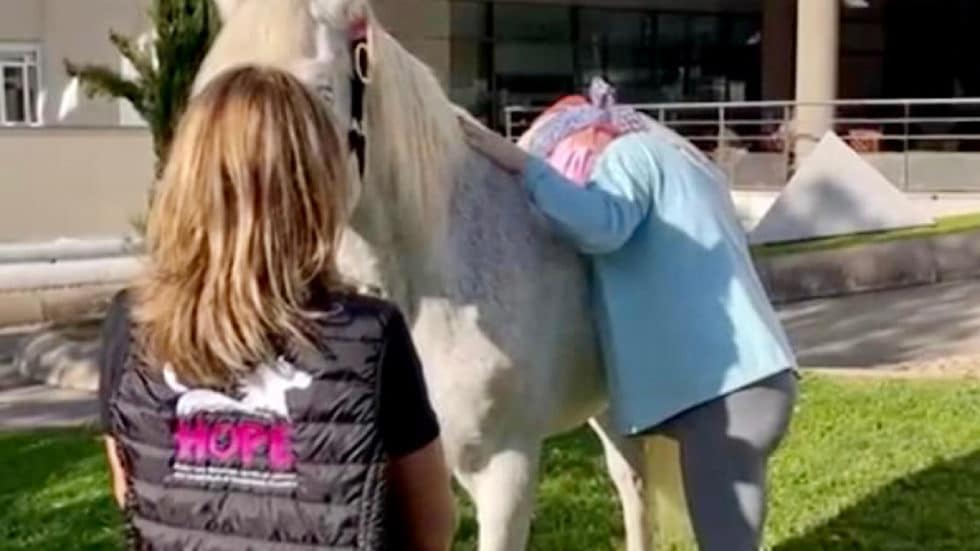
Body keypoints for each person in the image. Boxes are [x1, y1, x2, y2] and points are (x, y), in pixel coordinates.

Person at [97, 65, 455, 551]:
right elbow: (431, 530)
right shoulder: (369, 338)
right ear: (315, 189)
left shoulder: (131, 322)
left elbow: (133, 490)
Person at [460, 105, 799, 551]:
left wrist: (526, 166)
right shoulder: (691, 172)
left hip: (721, 394)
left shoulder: (631, 155)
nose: (582, 173)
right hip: (757, 382)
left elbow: (602, 225)